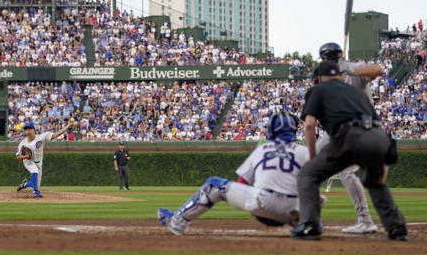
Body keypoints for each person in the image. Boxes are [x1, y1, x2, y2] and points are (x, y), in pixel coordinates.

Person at [291, 61, 407, 241]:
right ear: (339, 76)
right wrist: (384, 160)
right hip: (378, 139)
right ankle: (397, 228)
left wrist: (312, 157)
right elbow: (377, 126)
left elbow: (309, 125)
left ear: (319, 78)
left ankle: (310, 225)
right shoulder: (357, 92)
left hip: (348, 137)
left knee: (308, 174)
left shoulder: (318, 90)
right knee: (375, 181)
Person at [158, 112, 319, 235]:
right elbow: (312, 183)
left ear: (271, 129)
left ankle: (178, 221)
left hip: (264, 204)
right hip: (293, 209)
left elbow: (242, 182)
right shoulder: (305, 151)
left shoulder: (262, 148)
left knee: (214, 184)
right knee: (306, 202)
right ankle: (311, 223)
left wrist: (251, 202)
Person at [313, 42, 379, 234]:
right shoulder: (328, 77)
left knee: (346, 172)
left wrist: (351, 69)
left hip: (361, 127)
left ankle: (365, 220)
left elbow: (378, 70)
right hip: (339, 129)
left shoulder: (352, 70)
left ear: (327, 58)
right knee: (308, 159)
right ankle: (314, 198)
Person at [15, 119, 74, 198]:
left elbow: (56, 135)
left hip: (39, 162)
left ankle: (24, 184)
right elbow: (18, 157)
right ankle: (35, 192)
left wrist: (68, 125)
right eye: (26, 129)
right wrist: (25, 156)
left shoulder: (41, 137)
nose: (27, 131)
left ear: (34, 130)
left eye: (29, 129)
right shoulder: (22, 143)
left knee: (36, 184)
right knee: (34, 171)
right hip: (28, 161)